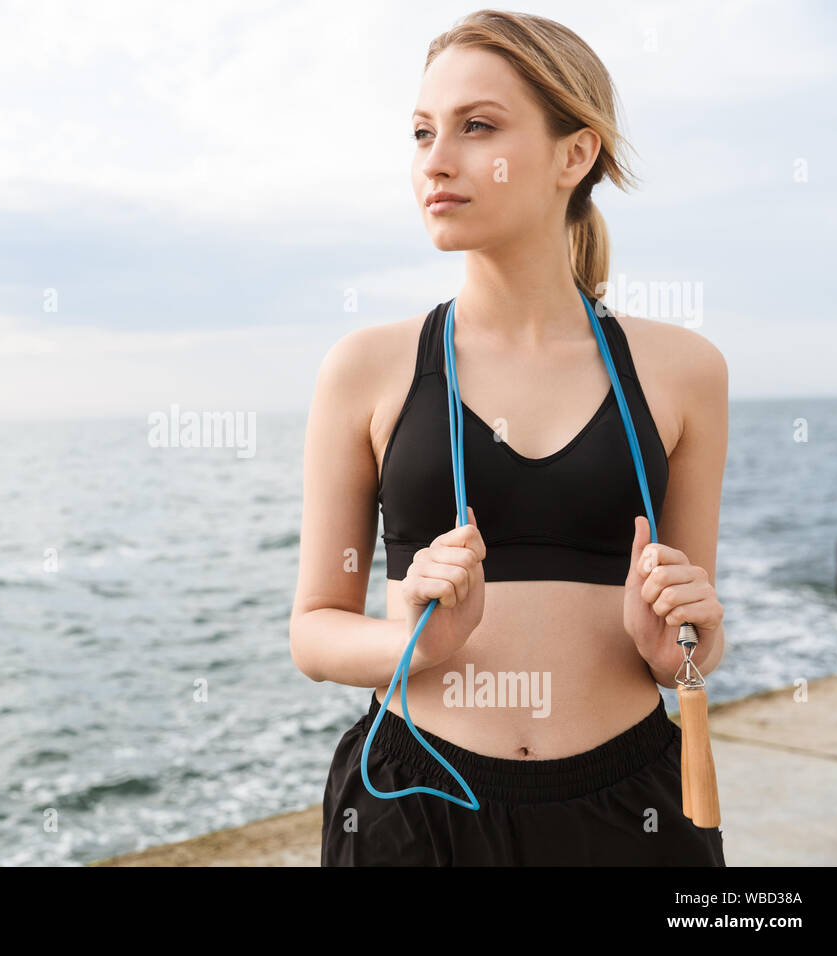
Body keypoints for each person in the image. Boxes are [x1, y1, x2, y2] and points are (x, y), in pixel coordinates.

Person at [288, 9, 728, 866]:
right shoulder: (367, 367)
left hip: (632, 807)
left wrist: (682, 647)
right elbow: (314, 628)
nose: (436, 161)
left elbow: (690, 652)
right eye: (422, 133)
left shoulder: (684, 372)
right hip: (414, 806)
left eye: (476, 126)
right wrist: (415, 644)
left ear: (576, 152)